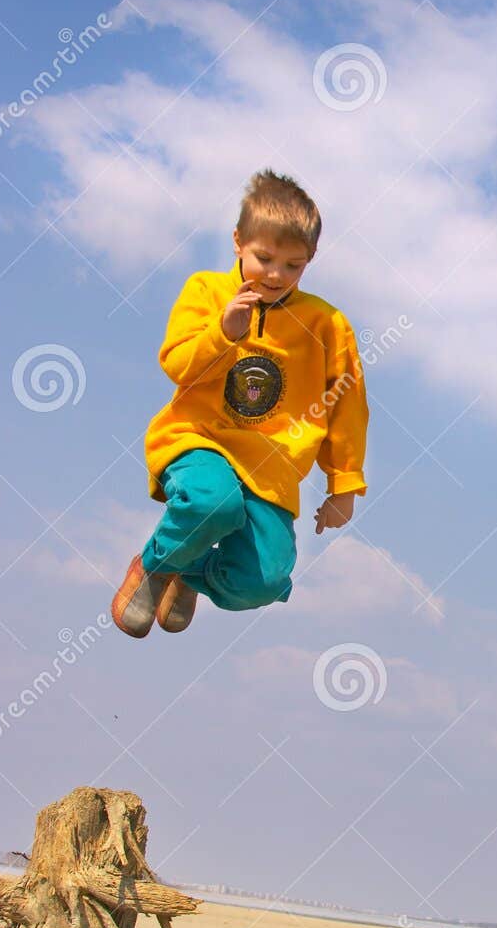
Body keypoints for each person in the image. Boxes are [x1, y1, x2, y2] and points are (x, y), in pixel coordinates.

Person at [111, 169, 369, 638]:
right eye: (264, 258)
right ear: (238, 241)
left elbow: (347, 404)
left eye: (293, 265)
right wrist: (223, 333)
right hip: (199, 440)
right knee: (213, 502)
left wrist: (344, 483)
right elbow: (176, 364)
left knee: (264, 581)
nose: (275, 275)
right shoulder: (206, 291)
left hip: (272, 468)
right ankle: (153, 565)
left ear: (310, 259)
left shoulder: (328, 324)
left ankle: (185, 569)